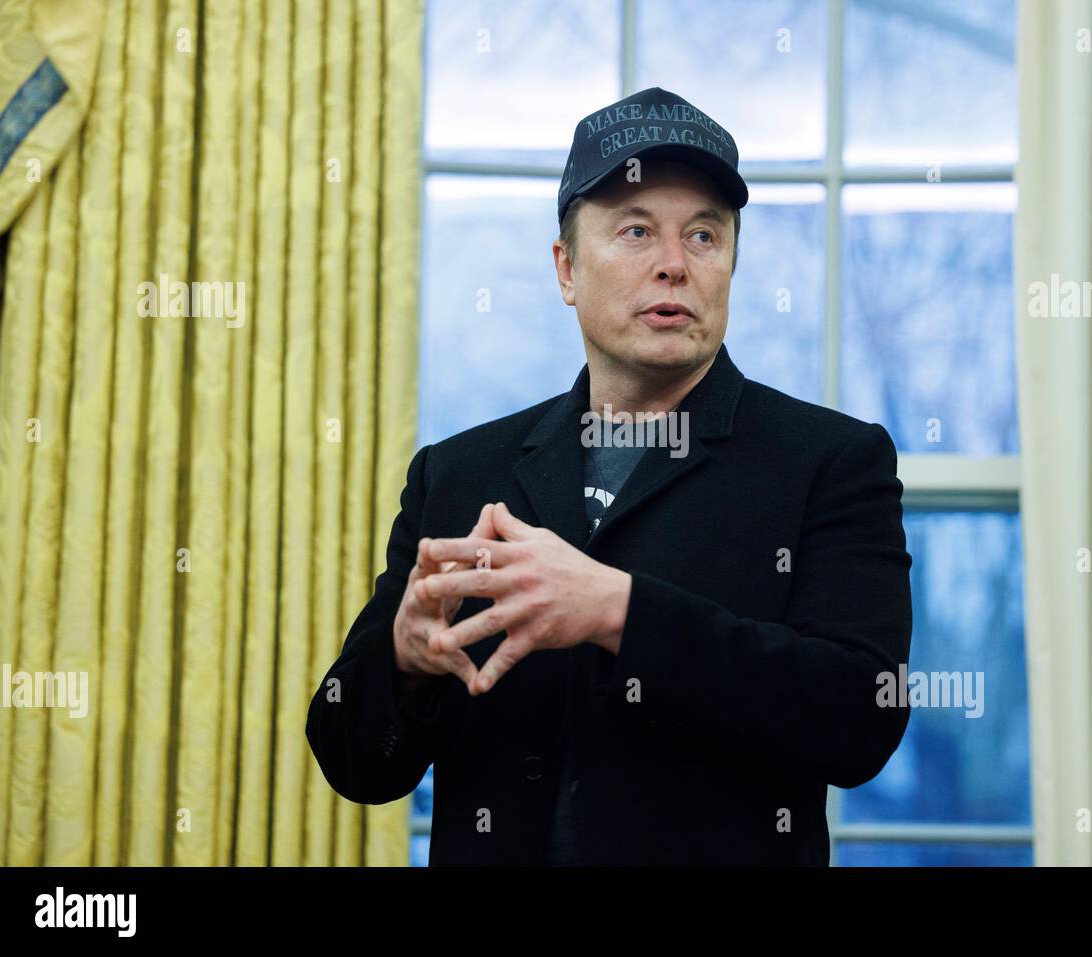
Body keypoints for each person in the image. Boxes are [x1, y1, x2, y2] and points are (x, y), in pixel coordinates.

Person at [306, 86, 913, 866]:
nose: (673, 264)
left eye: (704, 235)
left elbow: (862, 717)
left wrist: (616, 611)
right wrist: (404, 658)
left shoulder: (831, 461)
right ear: (566, 269)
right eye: (635, 231)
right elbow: (354, 760)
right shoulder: (457, 474)